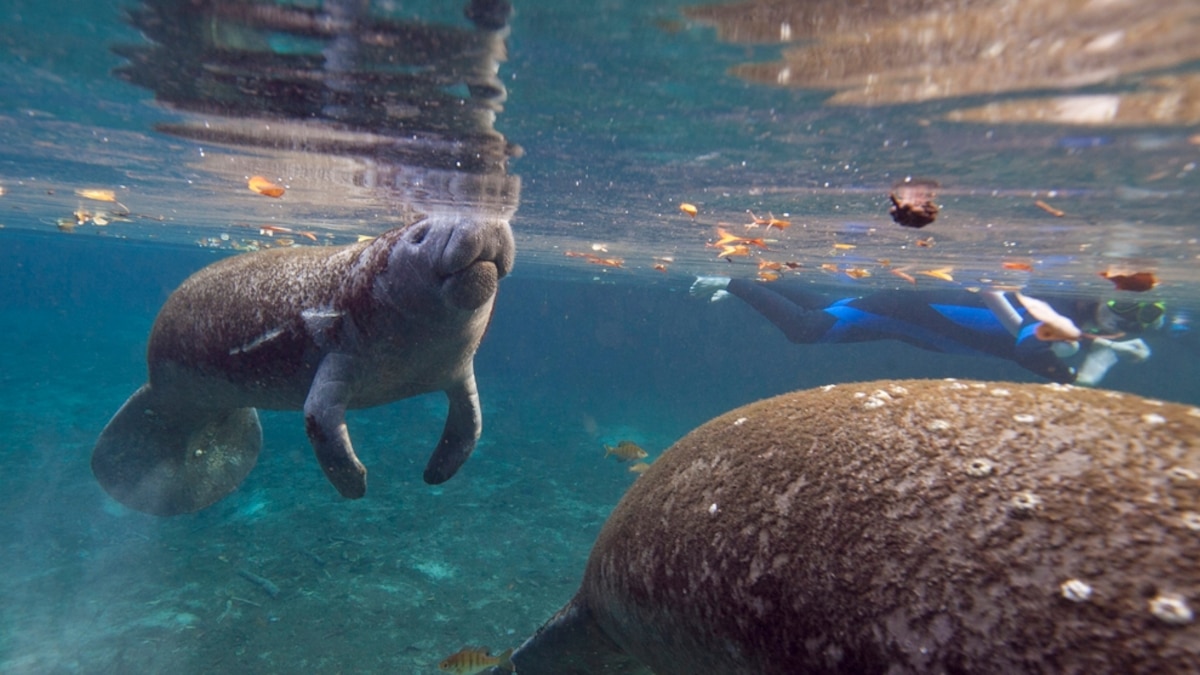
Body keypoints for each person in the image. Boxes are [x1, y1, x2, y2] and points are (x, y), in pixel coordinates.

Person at [690, 276, 1162, 386]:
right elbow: (1028, 351)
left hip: (908, 312)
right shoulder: (1058, 309)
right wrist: (1088, 369)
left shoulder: (1071, 318)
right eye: (1125, 306)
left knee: (828, 307)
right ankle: (732, 279)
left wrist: (1095, 346)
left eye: (1147, 314)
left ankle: (745, 282)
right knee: (809, 329)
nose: (1127, 320)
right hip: (906, 310)